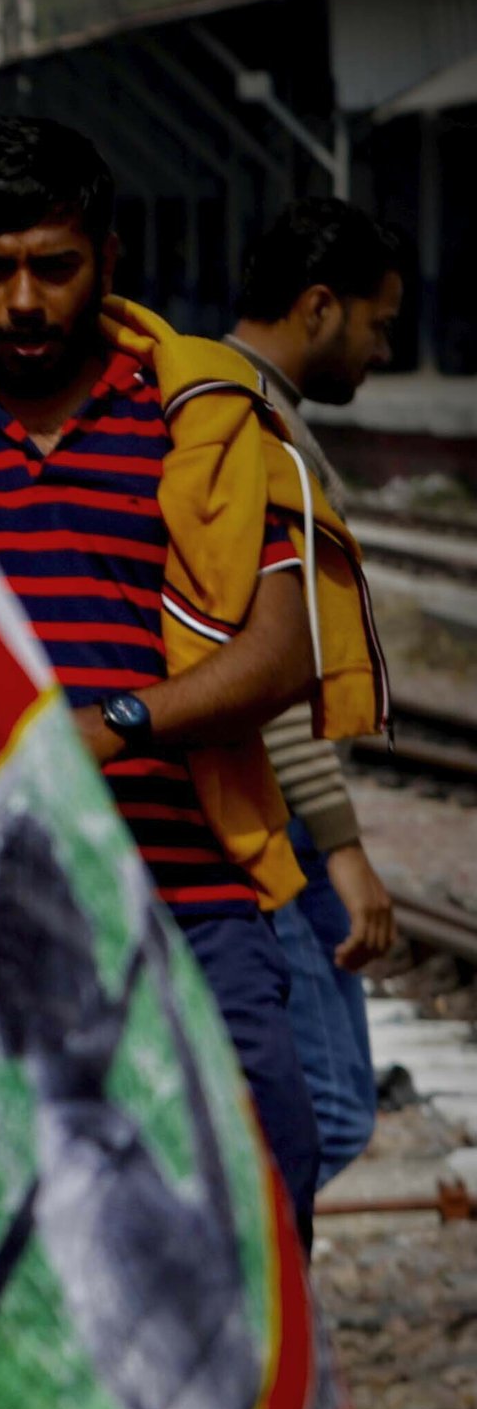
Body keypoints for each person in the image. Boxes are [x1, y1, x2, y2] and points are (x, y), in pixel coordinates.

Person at [0, 116, 389, 1236]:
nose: (24, 301)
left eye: (55, 268)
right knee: (9, 1247)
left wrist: (114, 726)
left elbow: (281, 646)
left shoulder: (197, 417)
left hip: (196, 900)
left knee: (260, 1213)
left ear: (108, 259)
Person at [227, 196, 414, 1187]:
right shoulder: (253, 432)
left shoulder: (232, 405)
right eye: (379, 324)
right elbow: (268, 670)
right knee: (330, 1112)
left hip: (267, 808)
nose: (384, 349)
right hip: (271, 815)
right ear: (319, 307)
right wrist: (343, 850)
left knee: (320, 1110)